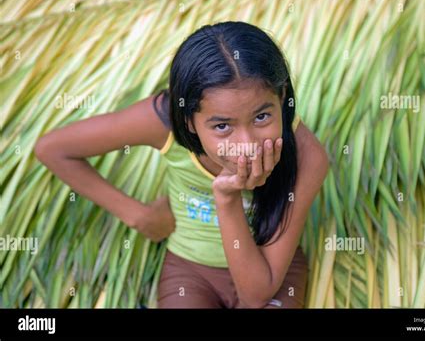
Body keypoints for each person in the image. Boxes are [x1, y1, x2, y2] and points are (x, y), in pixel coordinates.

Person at [35, 21, 329, 309]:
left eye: (262, 117)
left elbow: (256, 296)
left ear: (281, 98)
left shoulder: (307, 157)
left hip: (270, 269)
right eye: (223, 126)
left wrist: (227, 199)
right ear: (189, 120)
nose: (247, 143)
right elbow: (53, 149)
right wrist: (139, 216)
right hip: (191, 271)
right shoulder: (162, 124)